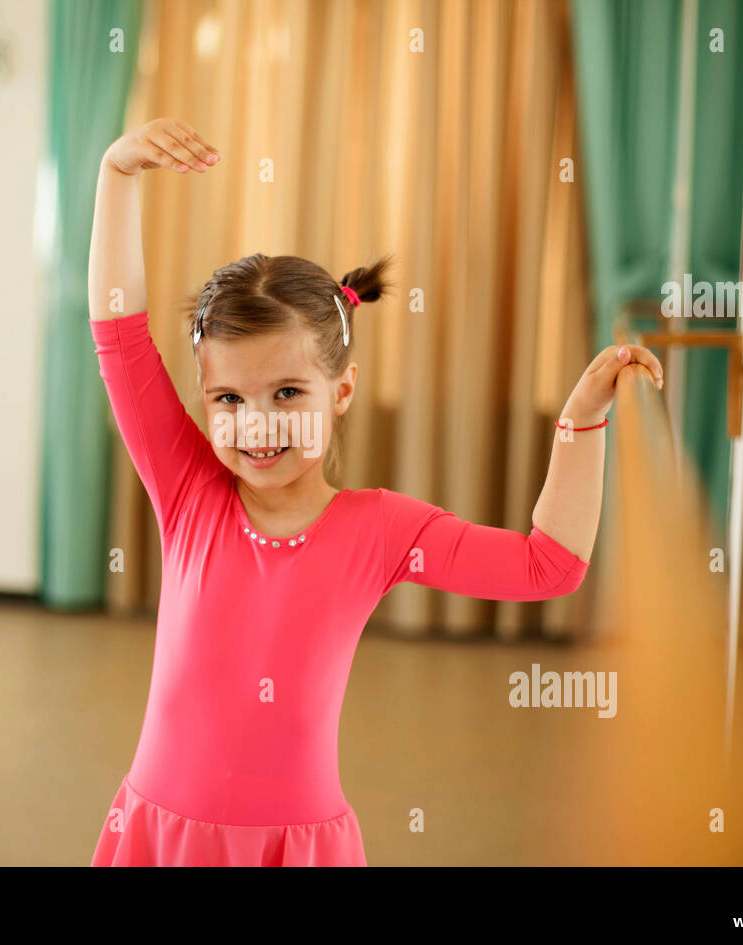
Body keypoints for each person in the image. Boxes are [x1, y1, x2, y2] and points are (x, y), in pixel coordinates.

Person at [86, 118, 664, 866]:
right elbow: (118, 332)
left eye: (287, 392)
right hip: (161, 839)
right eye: (227, 399)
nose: (256, 425)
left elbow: (548, 565)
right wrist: (117, 176)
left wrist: (582, 424)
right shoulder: (189, 490)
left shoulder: (379, 528)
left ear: (343, 389)